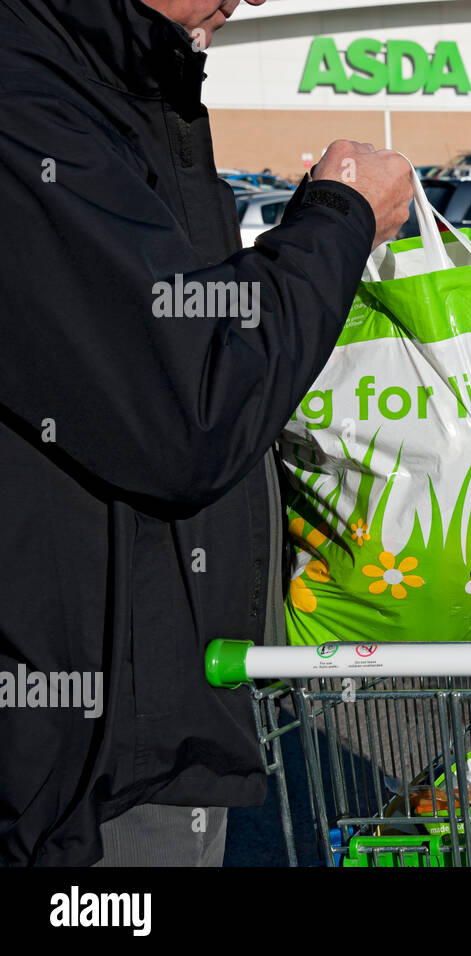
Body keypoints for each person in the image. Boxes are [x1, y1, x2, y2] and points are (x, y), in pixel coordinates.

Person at [0, 0, 413, 865]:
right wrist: (336, 222)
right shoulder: (30, 99)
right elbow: (194, 407)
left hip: (150, 729)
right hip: (78, 780)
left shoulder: (119, 89)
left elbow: (179, 343)